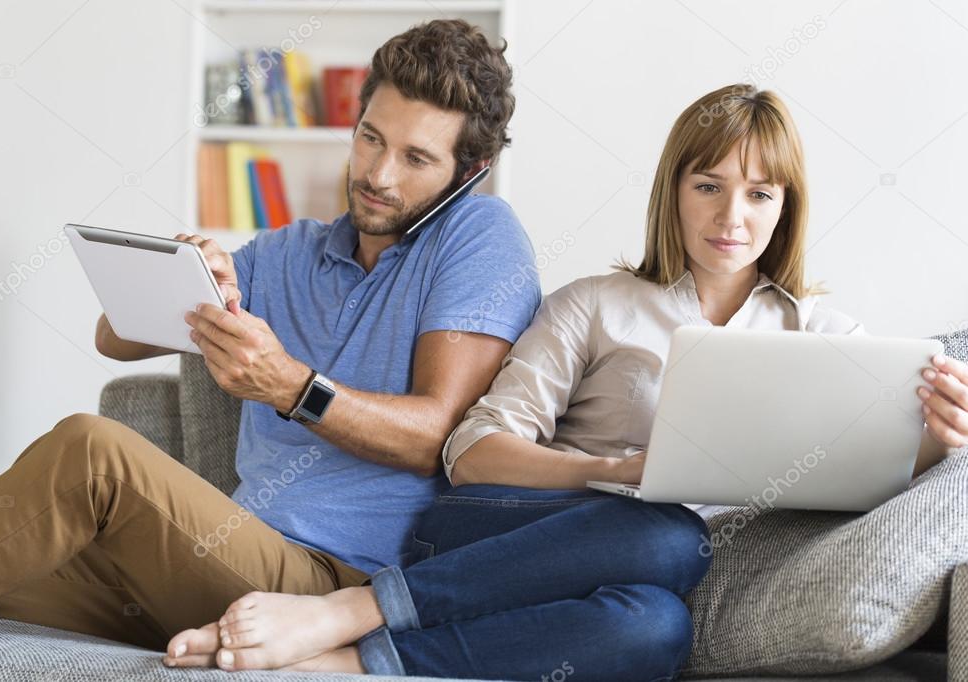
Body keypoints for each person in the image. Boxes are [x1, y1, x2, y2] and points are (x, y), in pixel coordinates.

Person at [171, 84, 968, 681]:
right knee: (665, 529)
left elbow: (872, 467)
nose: (732, 214)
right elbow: (471, 451)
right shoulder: (595, 306)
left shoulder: (826, 340)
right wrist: (610, 473)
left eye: (759, 193)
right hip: (498, 532)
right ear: (673, 192)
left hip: (650, 578)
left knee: (654, 632)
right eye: (708, 185)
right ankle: (358, 604)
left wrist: (939, 435)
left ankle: (352, 660)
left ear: (785, 207)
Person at [0, 17, 540, 660]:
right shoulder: (288, 251)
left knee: (93, 453)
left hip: (326, 589)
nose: (379, 173)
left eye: (416, 158)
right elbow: (114, 339)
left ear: (470, 172)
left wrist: (291, 387)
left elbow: (442, 441)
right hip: (215, 559)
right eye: (370, 138)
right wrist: (189, 277)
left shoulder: (479, 236)